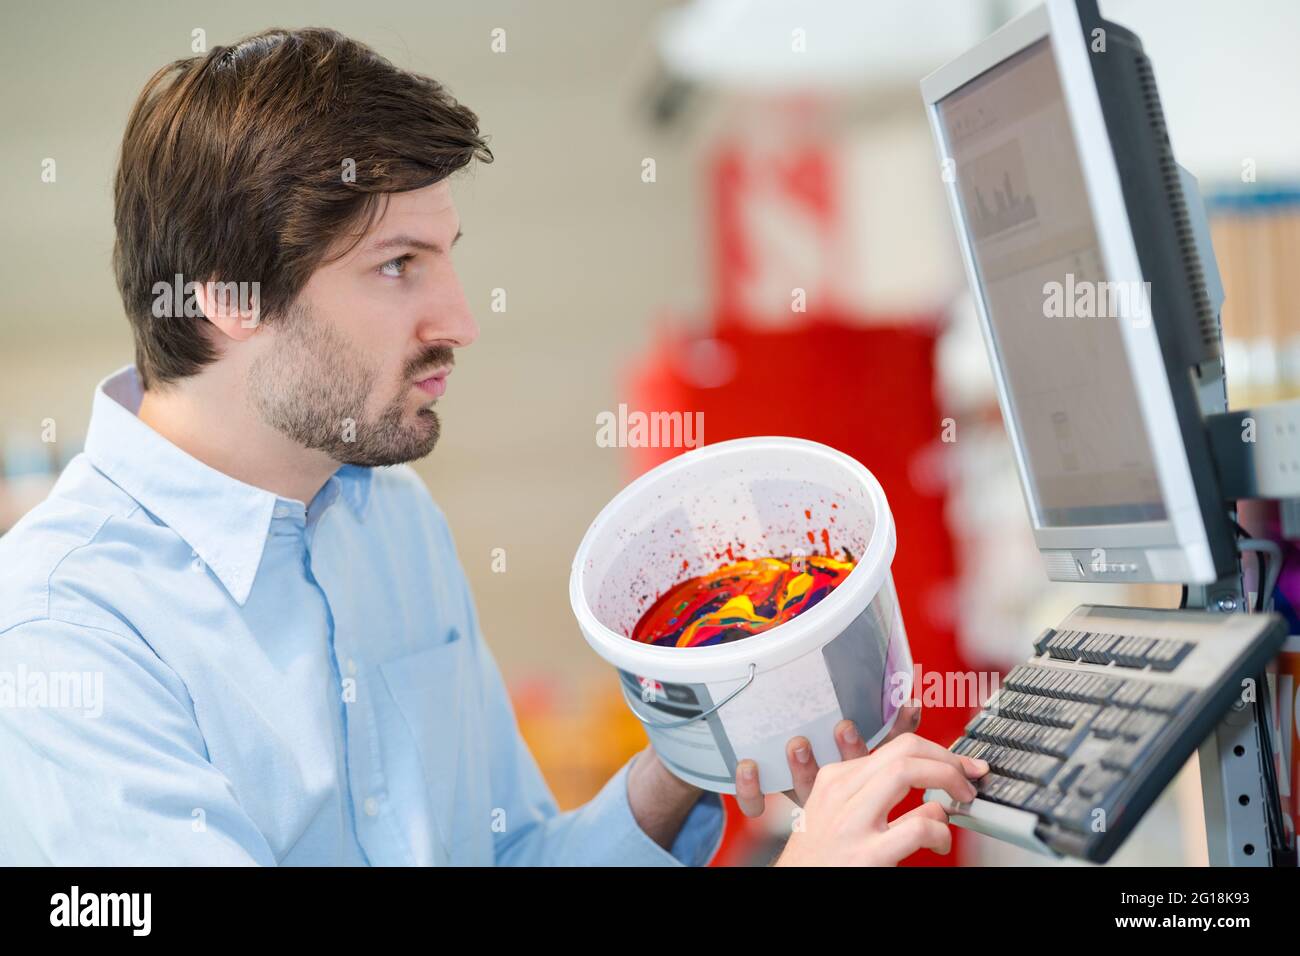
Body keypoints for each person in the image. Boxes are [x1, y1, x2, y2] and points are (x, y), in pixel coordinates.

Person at [0, 27, 987, 866]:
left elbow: (514, 855)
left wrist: (692, 754)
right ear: (227, 297)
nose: (460, 319)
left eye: (447, 258)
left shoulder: (390, 517)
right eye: (397, 266)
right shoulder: (65, 636)